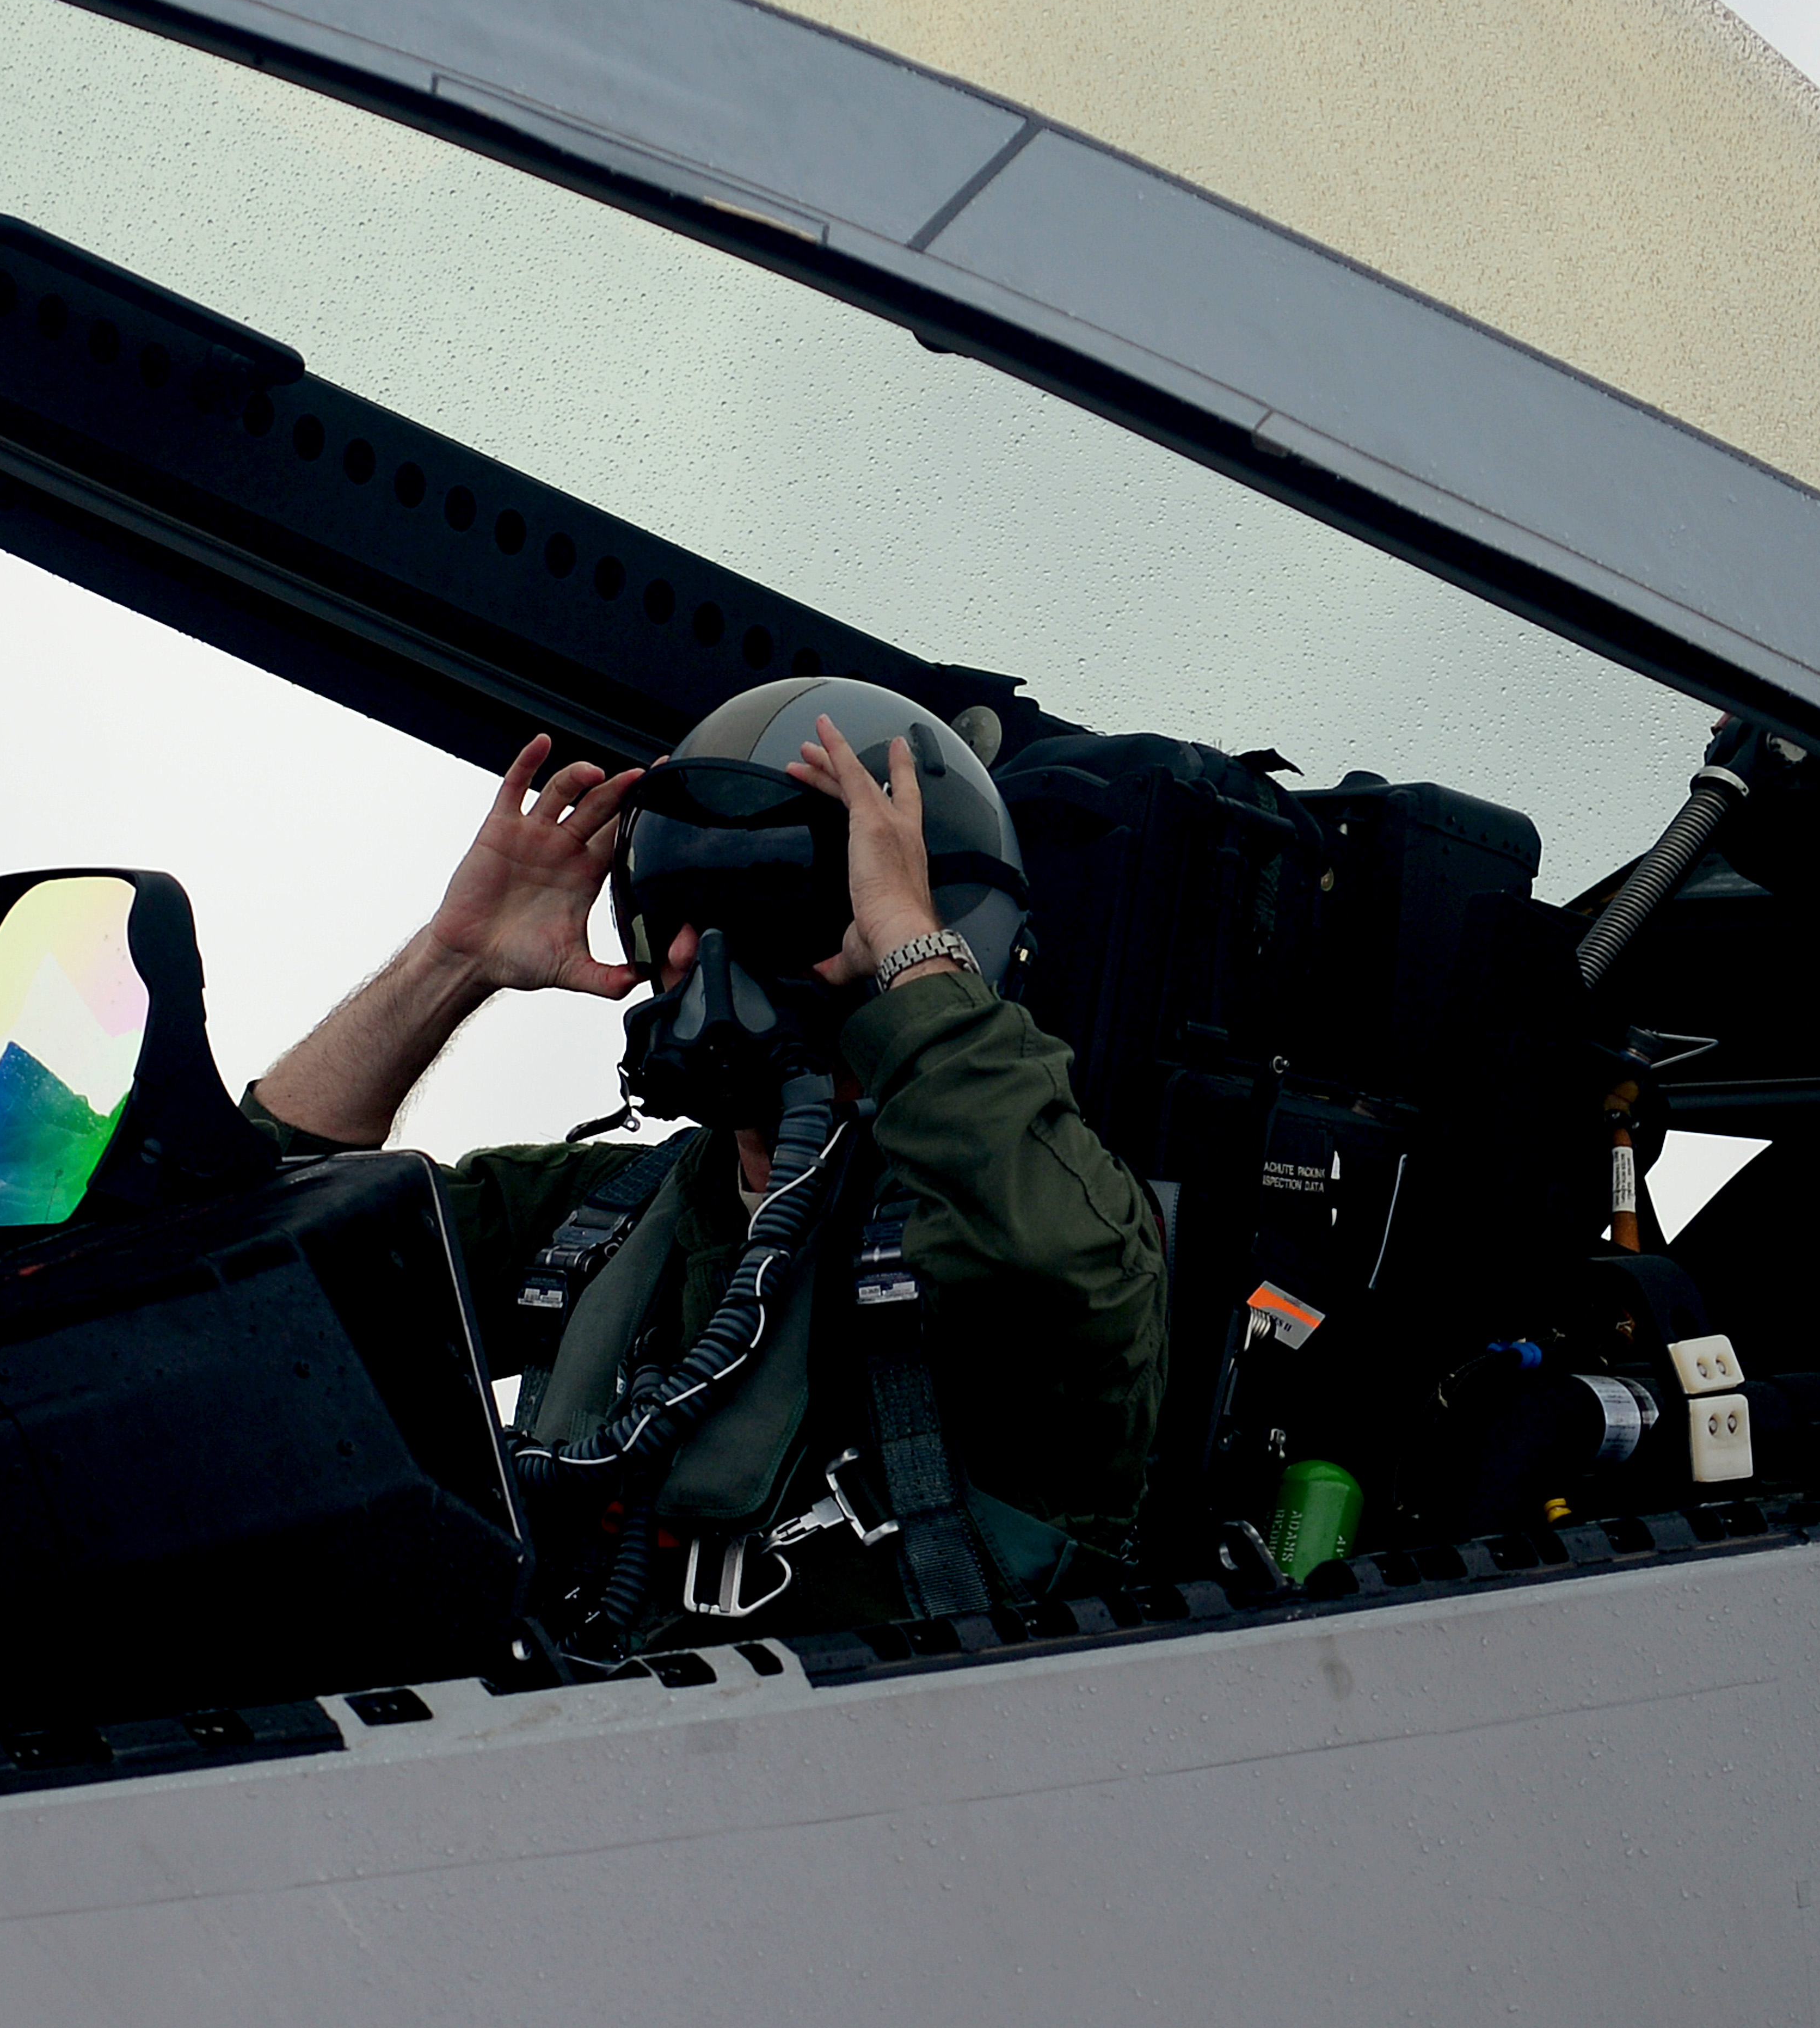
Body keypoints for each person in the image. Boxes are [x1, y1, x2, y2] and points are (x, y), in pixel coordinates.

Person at [247, 685, 1167, 1640]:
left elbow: (1060, 1264)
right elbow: (258, 1247)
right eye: (671, 913)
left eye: (753, 906)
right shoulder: (601, 1217)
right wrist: (452, 959)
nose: (688, 952)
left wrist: (912, 946)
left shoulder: (1021, 1230)